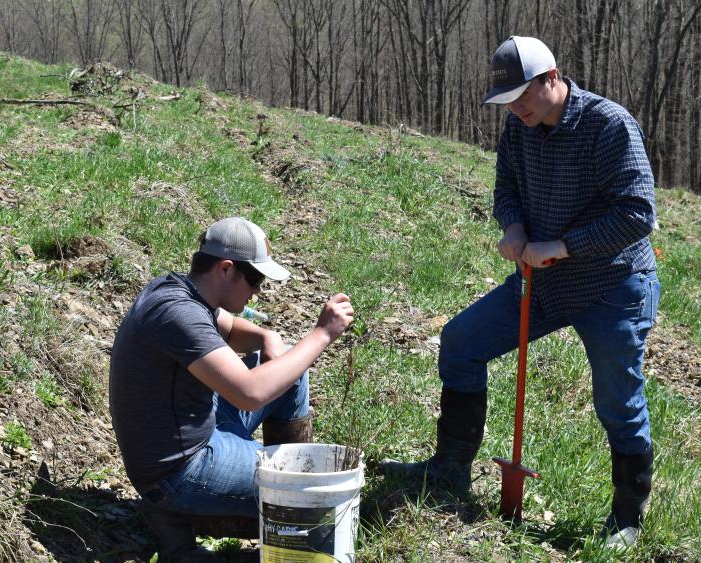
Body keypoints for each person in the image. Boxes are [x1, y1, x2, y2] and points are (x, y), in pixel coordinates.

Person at [380, 36, 660, 549]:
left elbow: (639, 214)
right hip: (542, 281)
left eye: (522, 96)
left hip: (613, 285)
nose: (516, 109)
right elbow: (507, 184)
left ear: (552, 77)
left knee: (617, 400)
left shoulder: (608, 125)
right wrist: (512, 226)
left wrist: (564, 245)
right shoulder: (520, 127)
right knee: (461, 342)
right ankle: (450, 468)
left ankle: (627, 517)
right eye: (506, 101)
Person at [109, 217, 354, 561]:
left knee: (289, 370)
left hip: (188, 436)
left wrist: (269, 337)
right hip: (178, 473)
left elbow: (230, 329)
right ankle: (283, 510)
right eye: (255, 279)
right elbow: (249, 393)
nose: (258, 291)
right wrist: (322, 334)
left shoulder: (179, 290)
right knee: (316, 503)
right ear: (226, 269)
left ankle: (277, 497)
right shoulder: (179, 315)